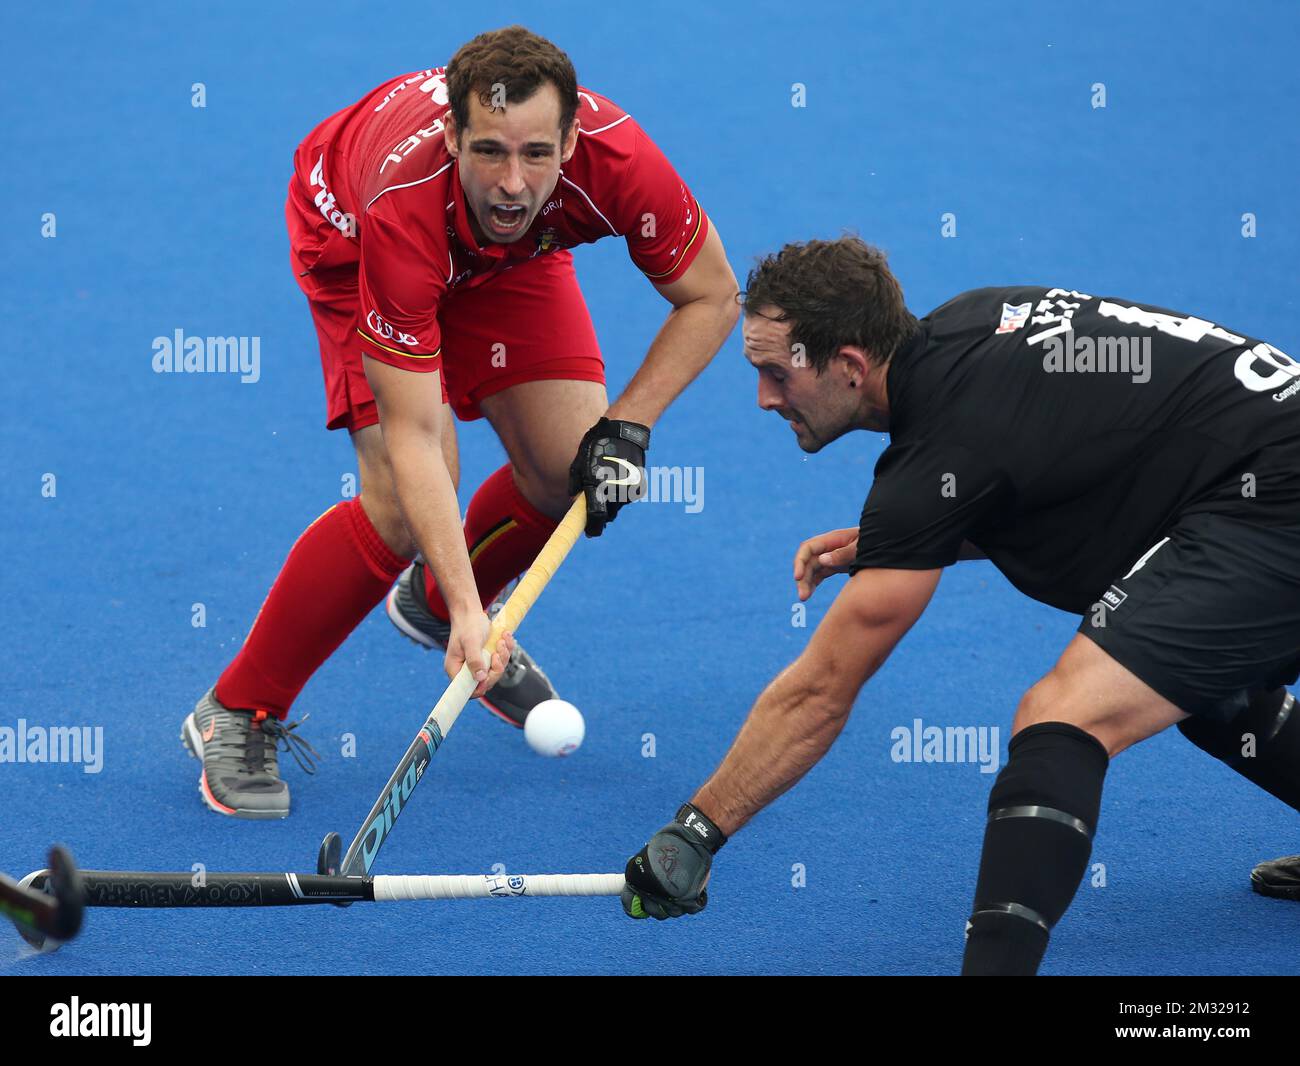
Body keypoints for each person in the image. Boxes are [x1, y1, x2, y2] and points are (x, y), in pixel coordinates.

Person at [620, 236, 1300, 974]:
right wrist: (913, 537)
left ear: (850, 365)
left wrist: (696, 829)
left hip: (1271, 494)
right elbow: (1061, 461)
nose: (764, 398)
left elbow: (820, 691)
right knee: (1193, 678)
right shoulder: (971, 322)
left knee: (1064, 713)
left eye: (777, 373)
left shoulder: (937, 457)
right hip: (1261, 460)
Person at [180, 25, 739, 819]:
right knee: (403, 505)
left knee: (567, 466)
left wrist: (629, 427)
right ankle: (238, 706)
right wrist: (483, 614)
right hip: (356, 240)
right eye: (490, 152)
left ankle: (437, 605)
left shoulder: (615, 160)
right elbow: (412, 434)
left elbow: (713, 296)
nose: (513, 182)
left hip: (511, 258)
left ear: (572, 139)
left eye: (537, 154)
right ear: (452, 134)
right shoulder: (400, 207)